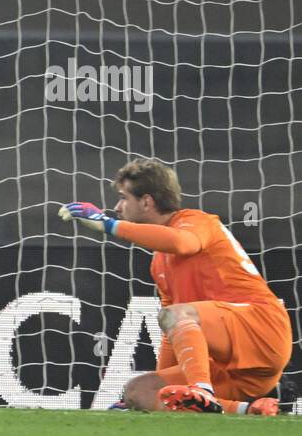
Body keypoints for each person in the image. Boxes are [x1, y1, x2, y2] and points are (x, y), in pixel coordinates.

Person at [62, 158, 291, 414]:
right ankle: (248, 410)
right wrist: (162, 382)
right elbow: (173, 333)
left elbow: (183, 244)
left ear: (147, 201)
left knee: (177, 314)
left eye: (123, 197)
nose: (117, 207)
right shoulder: (159, 261)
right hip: (237, 370)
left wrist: (108, 225)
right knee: (138, 391)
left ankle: (202, 391)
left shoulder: (197, 221)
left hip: (261, 330)